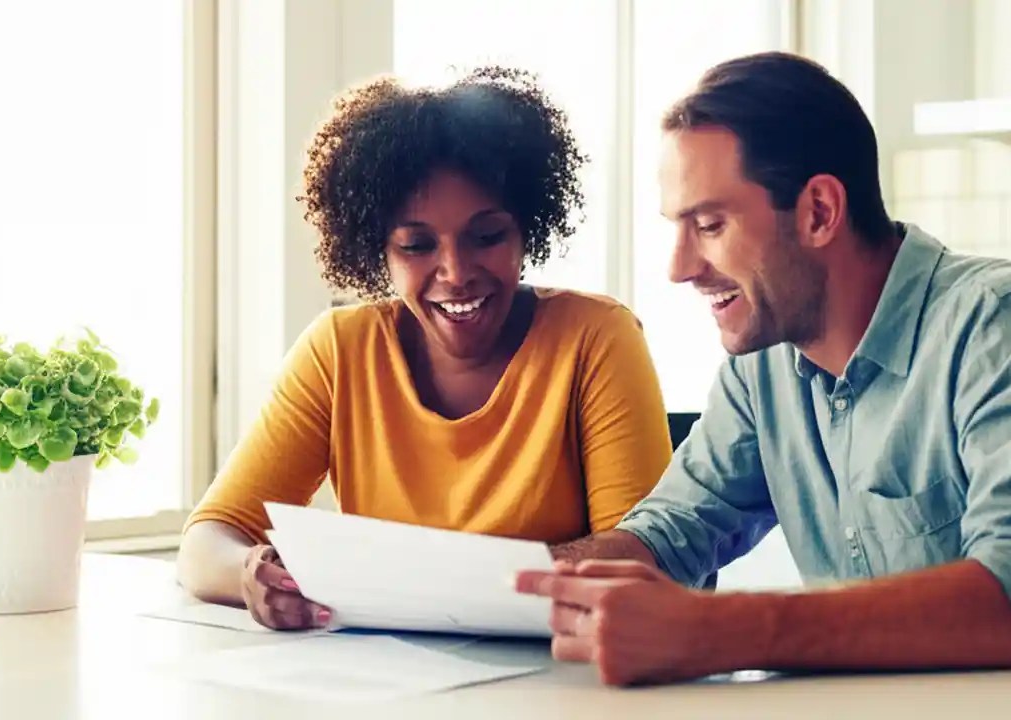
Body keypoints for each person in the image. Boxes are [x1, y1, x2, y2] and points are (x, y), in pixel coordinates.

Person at [515, 52, 1011, 686]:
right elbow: (670, 533)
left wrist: (719, 630)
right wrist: (517, 585)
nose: (679, 267)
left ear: (820, 211)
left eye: (710, 224)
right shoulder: (763, 364)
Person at [177, 66, 672, 631]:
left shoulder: (595, 337)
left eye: (487, 237)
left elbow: (641, 559)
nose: (457, 273)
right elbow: (203, 544)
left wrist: (450, 588)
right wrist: (250, 572)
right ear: (375, 250)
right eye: (416, 245)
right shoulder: (339, 351)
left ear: (526, 232)